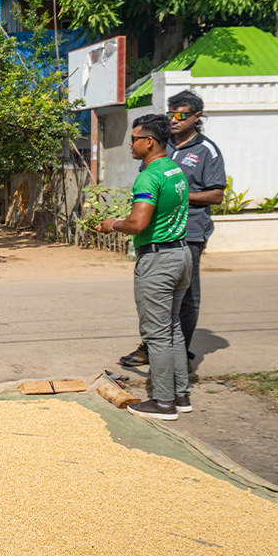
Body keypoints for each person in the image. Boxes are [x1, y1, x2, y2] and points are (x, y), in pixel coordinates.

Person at [119, 90, 224, 372]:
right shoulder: (159, 145)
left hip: (189, 231)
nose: (174, 120)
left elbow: (216, 195)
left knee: (185, 296)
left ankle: (179, 354)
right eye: (171, 114)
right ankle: (152, 347)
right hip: (156, 231)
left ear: (197, 117)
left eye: (181, 115)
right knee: (153, 296)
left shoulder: (207, 150)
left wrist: (177, 195)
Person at [96, 114, 192, 420]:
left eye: (134, 139)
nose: (130, 144)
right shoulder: (174, 169)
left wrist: (113, 224)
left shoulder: (149, 176)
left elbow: (138, 223)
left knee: (157, 334)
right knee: (173, 327)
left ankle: (163, 402)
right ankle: (180, 394)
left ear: (149, 142)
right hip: (181, 254)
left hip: (158, 259)